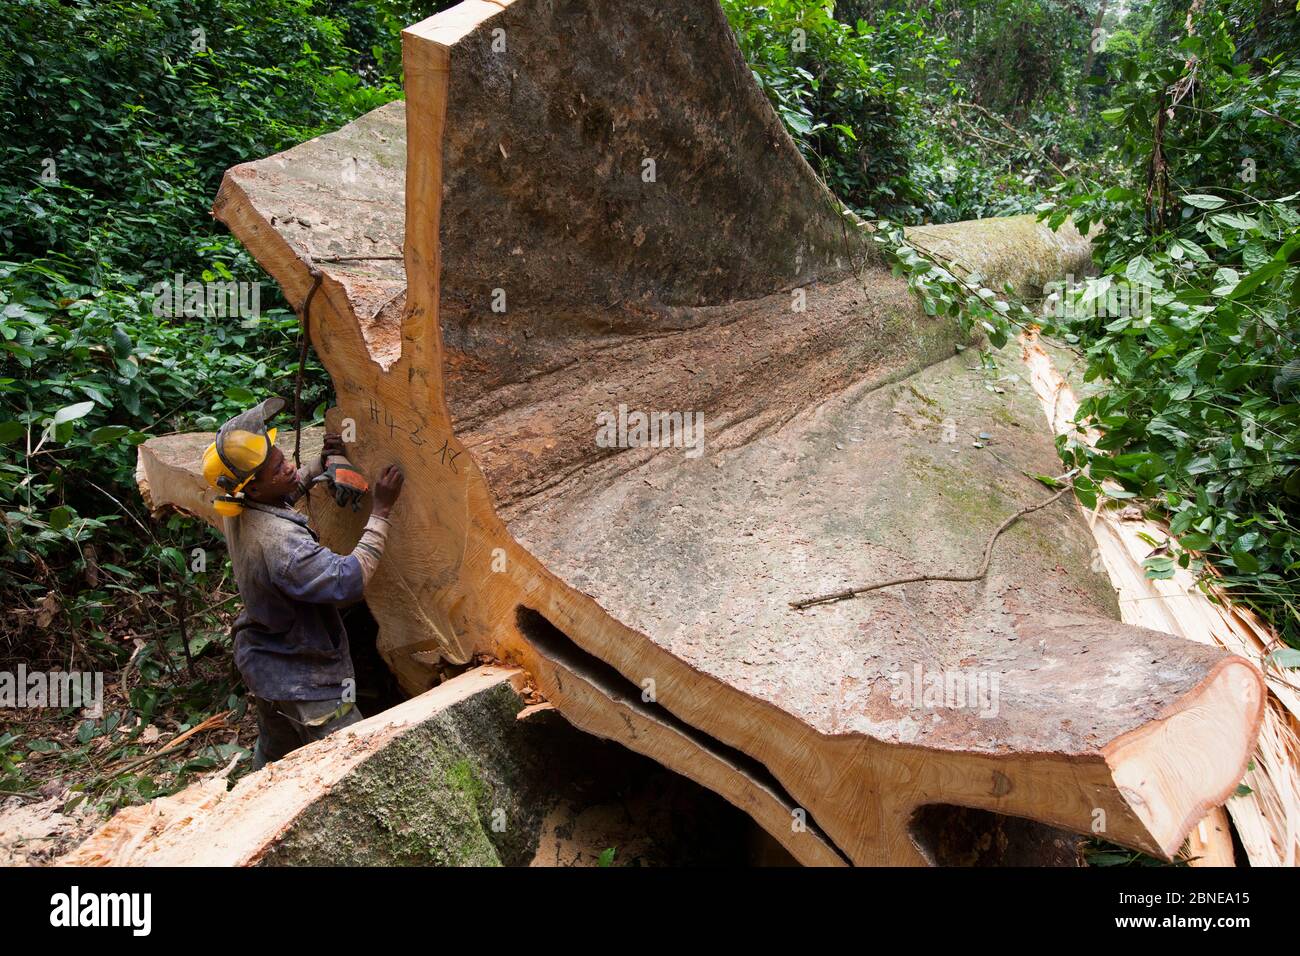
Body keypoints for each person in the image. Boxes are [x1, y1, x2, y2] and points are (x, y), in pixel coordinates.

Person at [200, 397, 404, 769]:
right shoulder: (283, 545)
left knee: (276, 754)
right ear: (253, 488)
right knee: (355, 763)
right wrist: (382, 511)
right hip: (304, 675)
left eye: (283, 458)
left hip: (265, 662)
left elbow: (279, 499)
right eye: (279, 469)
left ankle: (257, 791)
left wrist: (317, 466)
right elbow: (348, 580)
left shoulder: (240, 504)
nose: (288, 466)